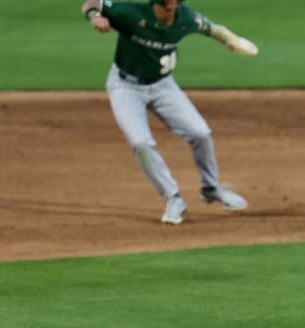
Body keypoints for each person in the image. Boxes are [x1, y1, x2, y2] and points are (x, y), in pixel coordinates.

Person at [81, 0, 257, 225]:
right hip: (125, 86)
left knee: (200, 133)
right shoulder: (130, 13)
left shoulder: (186, 18)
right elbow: (90, 4)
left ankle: (211, 188)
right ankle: (173, 197)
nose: (172, 4)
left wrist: (231, 40)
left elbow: (214, 29)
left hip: (163, 85)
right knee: (140, 143)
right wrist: (95, 16)